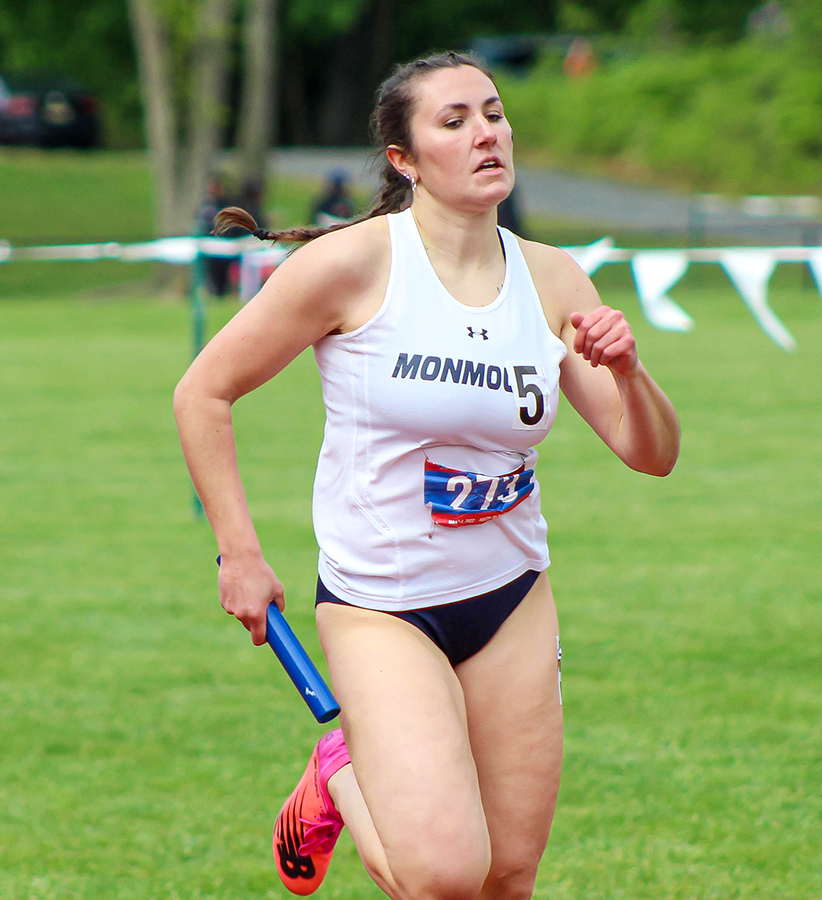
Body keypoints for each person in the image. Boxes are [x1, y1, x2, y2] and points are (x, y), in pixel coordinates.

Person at [173, 51, 679, 900]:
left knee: (507, 878)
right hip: (382, 604)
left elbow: (650, 453)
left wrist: (630, 371)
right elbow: (204, 392)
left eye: (493, 111)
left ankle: (350, 765)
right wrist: (239, 553)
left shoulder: (553, 277)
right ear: (404, 160)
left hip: (511, 593)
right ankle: (341, 769)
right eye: (455, 122)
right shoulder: (353, 265)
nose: (486, 133)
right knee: (446, 875)